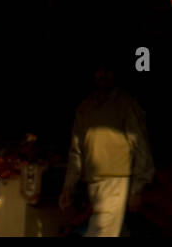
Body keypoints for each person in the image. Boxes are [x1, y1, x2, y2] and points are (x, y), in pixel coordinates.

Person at [59, 63, 153, 237]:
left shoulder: (126, 104)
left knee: (101, 232)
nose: (103, 75)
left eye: (107, 70)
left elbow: (140, 146)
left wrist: (137, 188)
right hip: (93, 183)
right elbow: (76, 153)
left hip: (117, 182)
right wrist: (68, 187)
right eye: (99, 70)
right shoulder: (85, 108)